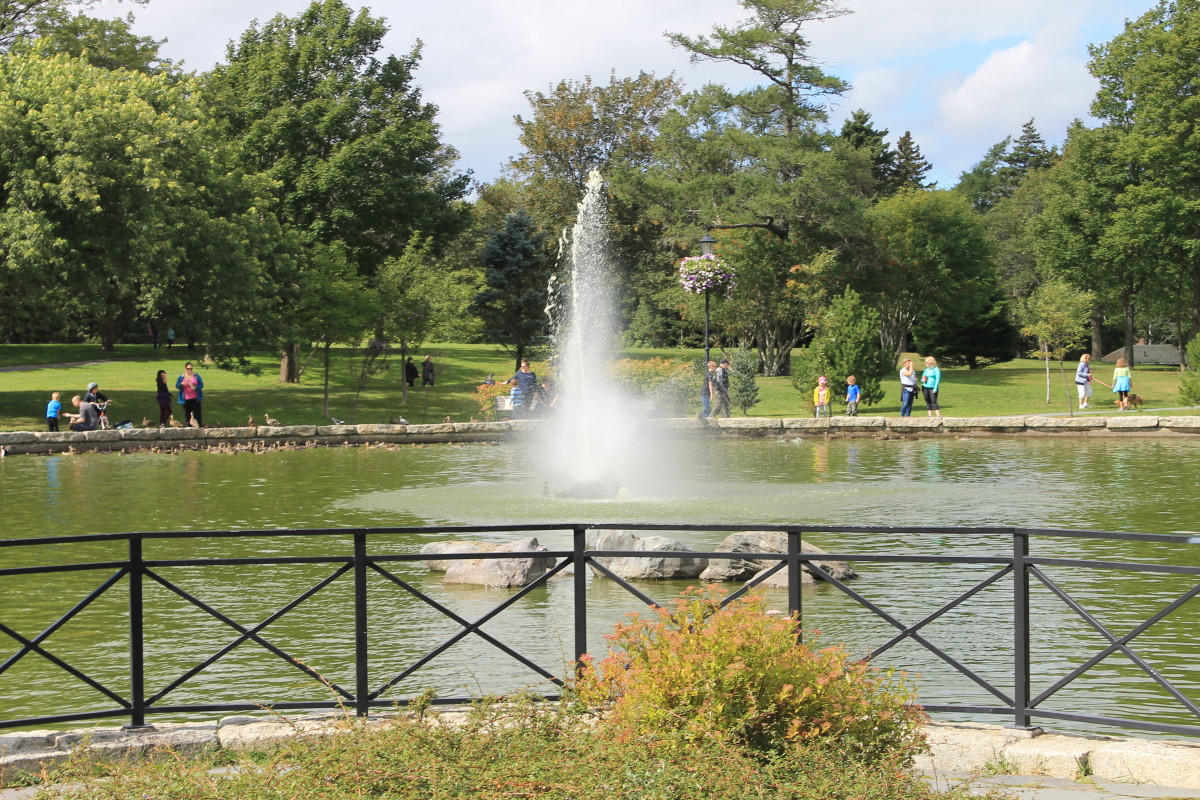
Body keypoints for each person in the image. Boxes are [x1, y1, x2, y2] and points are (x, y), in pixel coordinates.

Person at [176, 362, 204, 427]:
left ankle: (198, 428)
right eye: (188, 369)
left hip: (195, 399)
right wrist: (181, 384)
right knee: (187, 415)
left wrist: (195, 387)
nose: (189, 370)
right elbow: (177, 385)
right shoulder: (181, 377)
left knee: (197, 415)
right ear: (185, 368)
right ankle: (188, 429)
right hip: (185, 399)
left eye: (191, 369)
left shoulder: (196, 376)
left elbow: (201, 385)